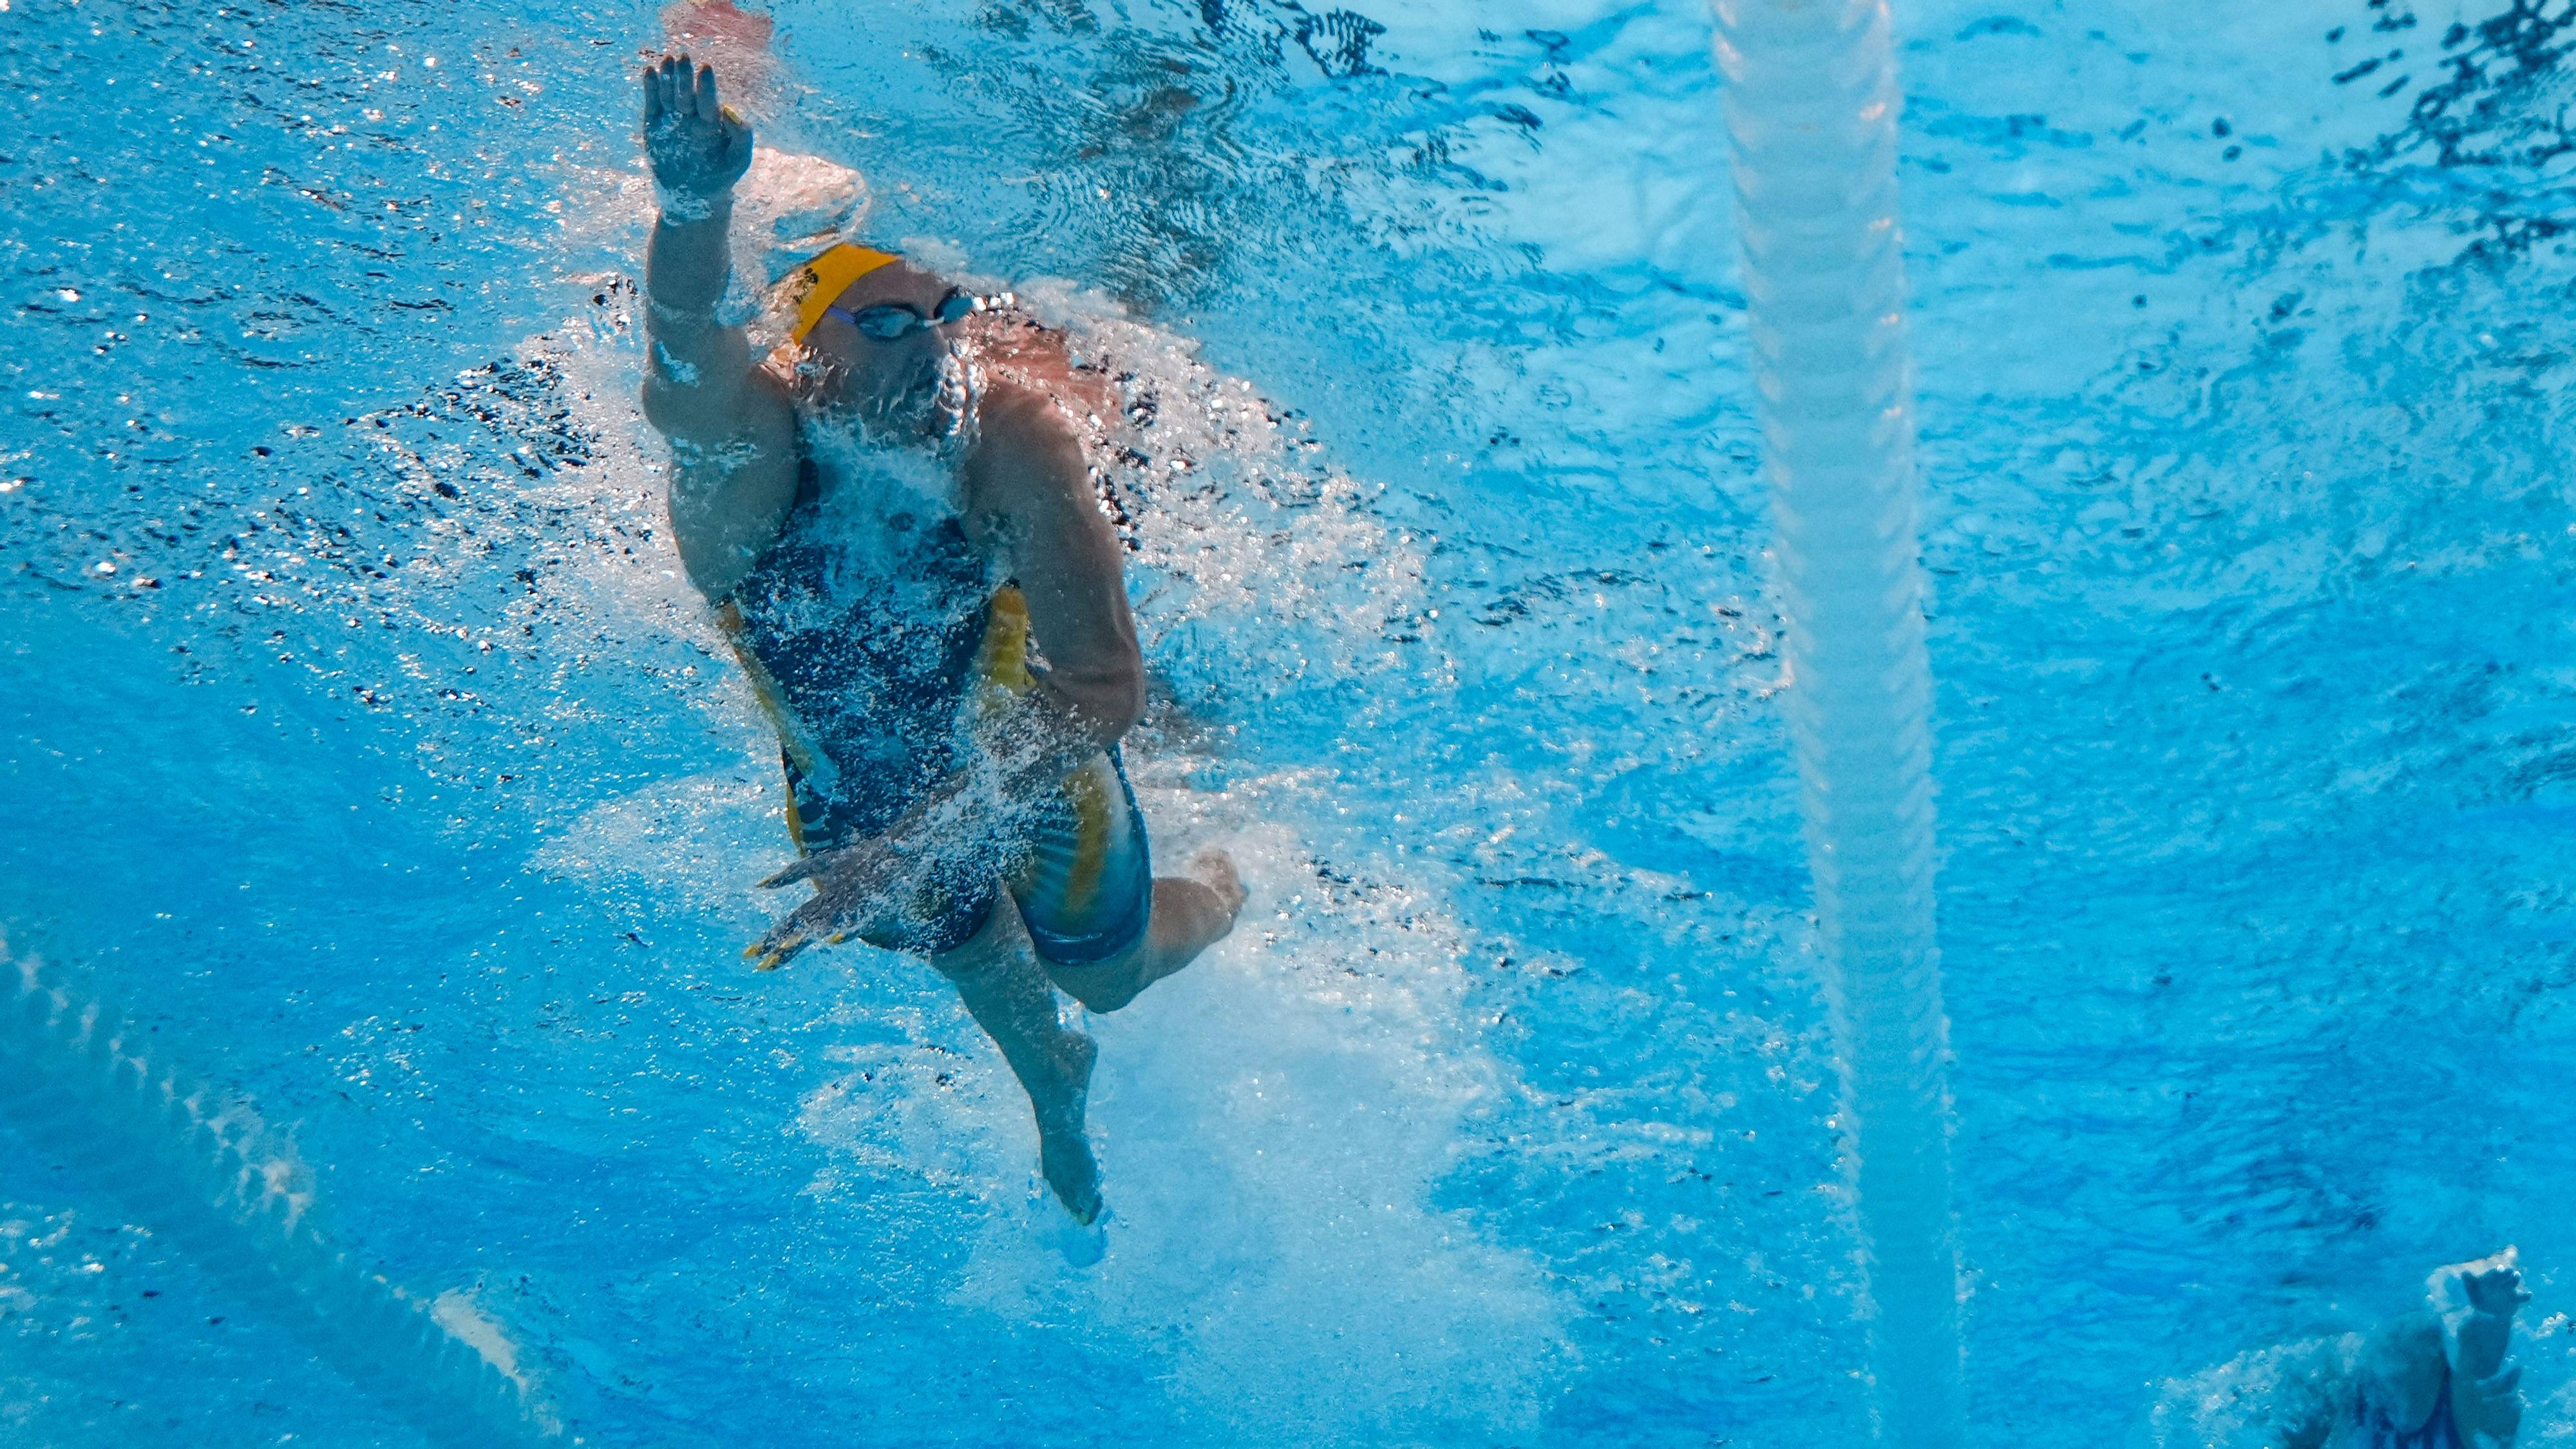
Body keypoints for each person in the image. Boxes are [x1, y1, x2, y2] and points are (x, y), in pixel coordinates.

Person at [634, 52, 1246, 1224]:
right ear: (807, 349)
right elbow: (683, 364)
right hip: (857, 770)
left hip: (1022, 720)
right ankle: (1049, 1084)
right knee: (939, 915)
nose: (936, 345)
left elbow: (1102, 690)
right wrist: (695, 208)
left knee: (1105, 979)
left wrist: (935, 832)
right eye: (886, 320)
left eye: (948, 312)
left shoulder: (1008, 431)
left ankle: (1231, 875)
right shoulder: (752, 457)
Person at [2157, 1253, 2529, 1449]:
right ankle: (2481, 1311)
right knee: (2475, 1415)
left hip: (2362, 1409)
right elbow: (2485, 1396)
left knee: (2401, 1382)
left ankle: (2476, 1310)